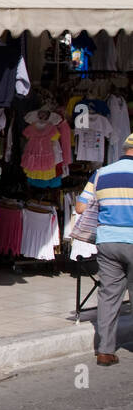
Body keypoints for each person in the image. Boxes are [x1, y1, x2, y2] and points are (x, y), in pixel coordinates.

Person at [74, 132, 133, 365]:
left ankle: (105, 351)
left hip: (108, 241)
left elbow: (80, 207)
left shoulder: (101, 173)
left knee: (109, 296)